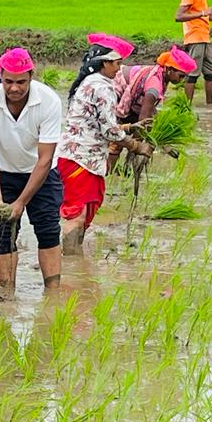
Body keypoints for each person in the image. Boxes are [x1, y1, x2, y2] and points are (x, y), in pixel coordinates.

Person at [0, 47, 63, 291]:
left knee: (48, 230)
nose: (14, 88)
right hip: (3, 173)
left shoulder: (49, 101)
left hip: (41, 174)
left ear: (31, 76)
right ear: (0, 77)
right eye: (8, 81)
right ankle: (7, 294)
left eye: (21, 82)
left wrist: (21, 202)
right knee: (2, 234)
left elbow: (45, 159)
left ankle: (52, 294)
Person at [57, 34, 155, 256]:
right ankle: (71, 262)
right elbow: (109, 131)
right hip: (81, 159)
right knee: (77, 214)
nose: (119, 70)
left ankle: (74, 256)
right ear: (104, 63)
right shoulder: (102, 87)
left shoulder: (89, 82)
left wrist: (128, 127)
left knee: (83, 211)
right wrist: (136, 146)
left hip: (81, 157)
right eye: (117, 64)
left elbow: (95, 122)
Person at [114, 46, 197, 124]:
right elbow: (143, 118)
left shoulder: (160, 73)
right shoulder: (154, 85)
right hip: (114, 86)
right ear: (169, 69)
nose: (182, 80)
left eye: (184, 77)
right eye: (180, 76)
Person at [175, 0, 212, 104]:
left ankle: (209, 106)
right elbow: (178, 16)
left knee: (211, 72)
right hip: (195, 37)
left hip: (204, 37)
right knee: (192, 73)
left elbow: (204, 14)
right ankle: (186, 106)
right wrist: (203, 12)